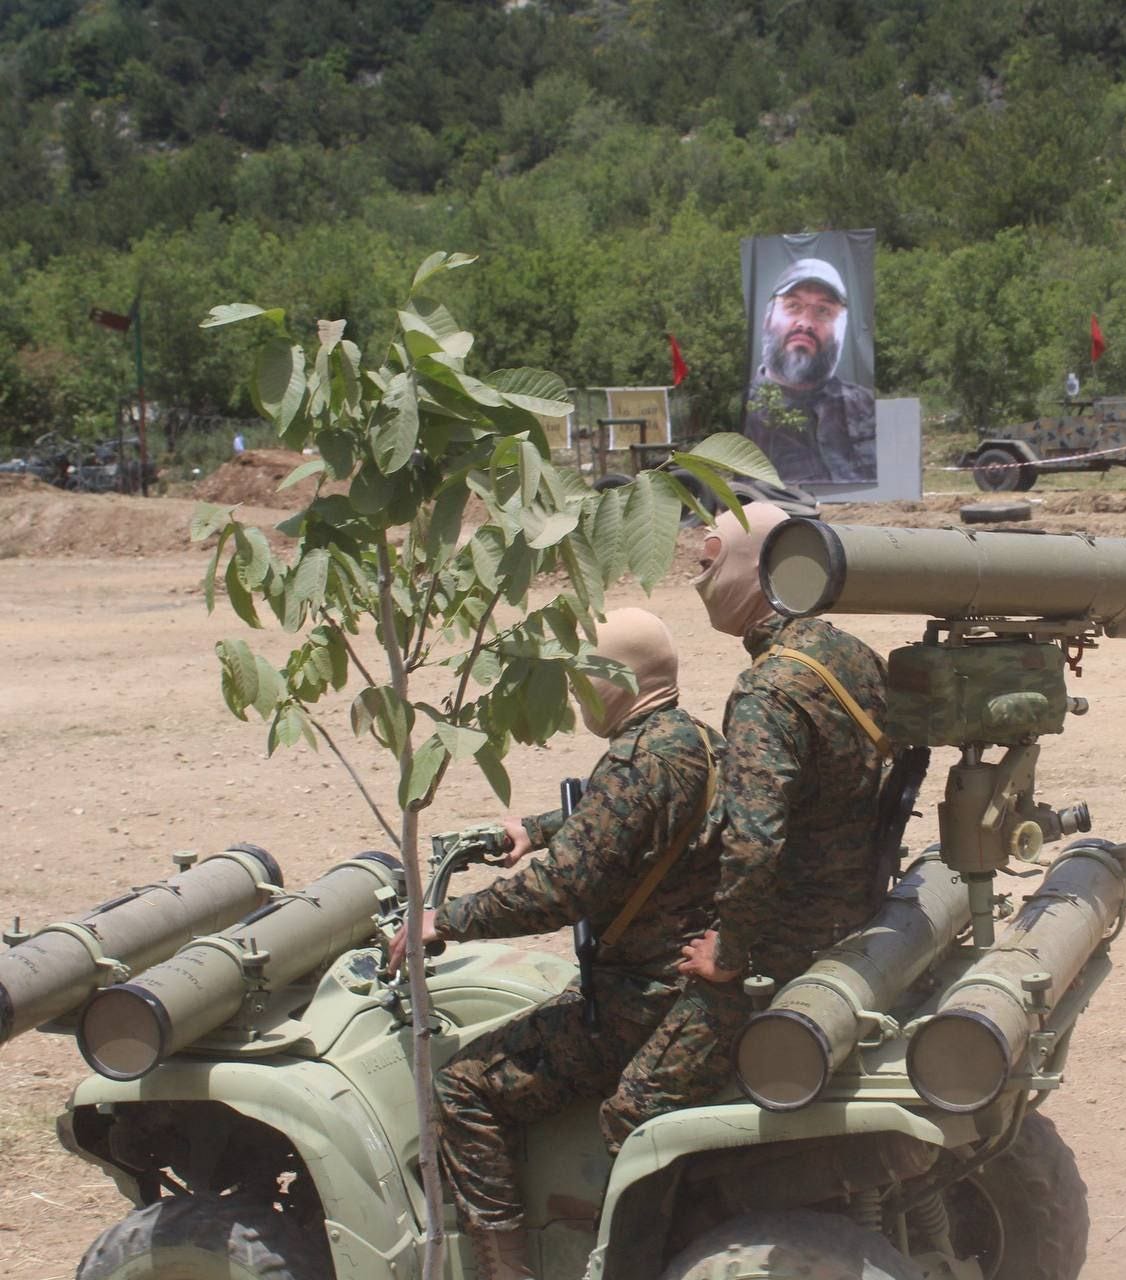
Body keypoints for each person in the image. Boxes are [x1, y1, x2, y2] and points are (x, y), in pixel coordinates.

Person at [389, 608, 723, 1280]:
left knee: (462, 1088)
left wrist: (445, 920)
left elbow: (562, 890)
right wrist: (537, 829)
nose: (574, 692)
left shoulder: (635, 761)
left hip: (640, 1000)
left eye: (583, 677)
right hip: (680, 983)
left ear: (617, 679)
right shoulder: (696, 739)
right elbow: (621, 819)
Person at [679, 502, 888, 991]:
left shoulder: (765, 694)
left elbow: (753, 846)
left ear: (755, 568)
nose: (700, 578)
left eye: (710, 564)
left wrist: (729, 954)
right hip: (859, 896)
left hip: (798, 932)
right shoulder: (849, 650)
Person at [742, 258, 877, 486]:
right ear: (767, 319)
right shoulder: (741, 412)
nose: (805, 323)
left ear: (842, 329)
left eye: (823, 310)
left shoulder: (868, 405)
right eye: (793, 305)